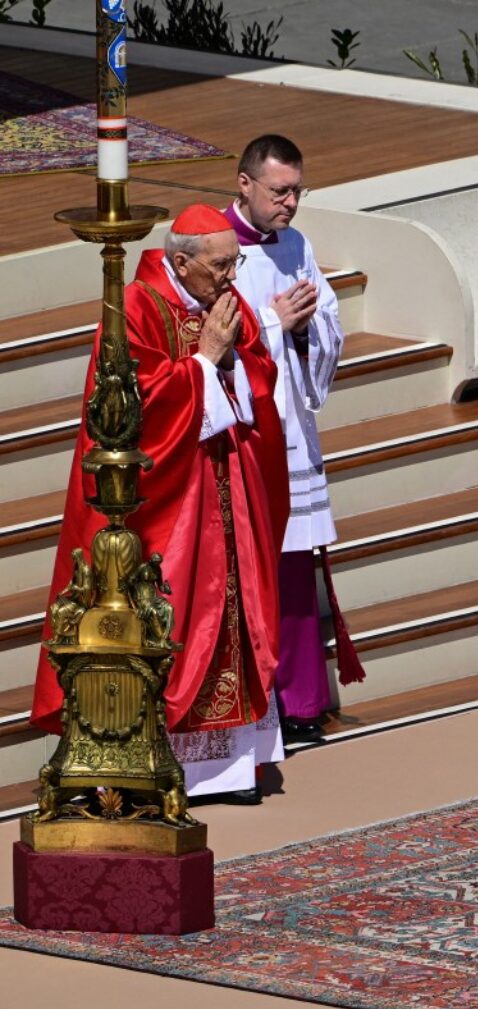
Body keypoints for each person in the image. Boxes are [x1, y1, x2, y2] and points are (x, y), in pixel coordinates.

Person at [33, 203, 289, 804]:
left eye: (235, 262)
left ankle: (231, 769)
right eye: (221, 265)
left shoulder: (222, 298)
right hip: (167, 505)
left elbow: (258, 369)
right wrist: (204, 361)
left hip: (226, 485)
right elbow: (130, 408)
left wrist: (233, 359)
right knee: (174, 615)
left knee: (234, 609)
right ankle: (147, 762)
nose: (231, 276)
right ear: (181, 261)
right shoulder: (135, 307)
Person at [223, 134, 361, 746]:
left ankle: (301, 701)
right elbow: (208, 336)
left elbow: (327, 320)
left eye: (298, 191)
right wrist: (275, 324)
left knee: (296, 565)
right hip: (243, 429)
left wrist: (303, 331)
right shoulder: (213, 246)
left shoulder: (297, 245)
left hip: (292, 428)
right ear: (245, 183)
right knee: (250, 568)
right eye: (279, 192)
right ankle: (257, 705)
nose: (290, 204)